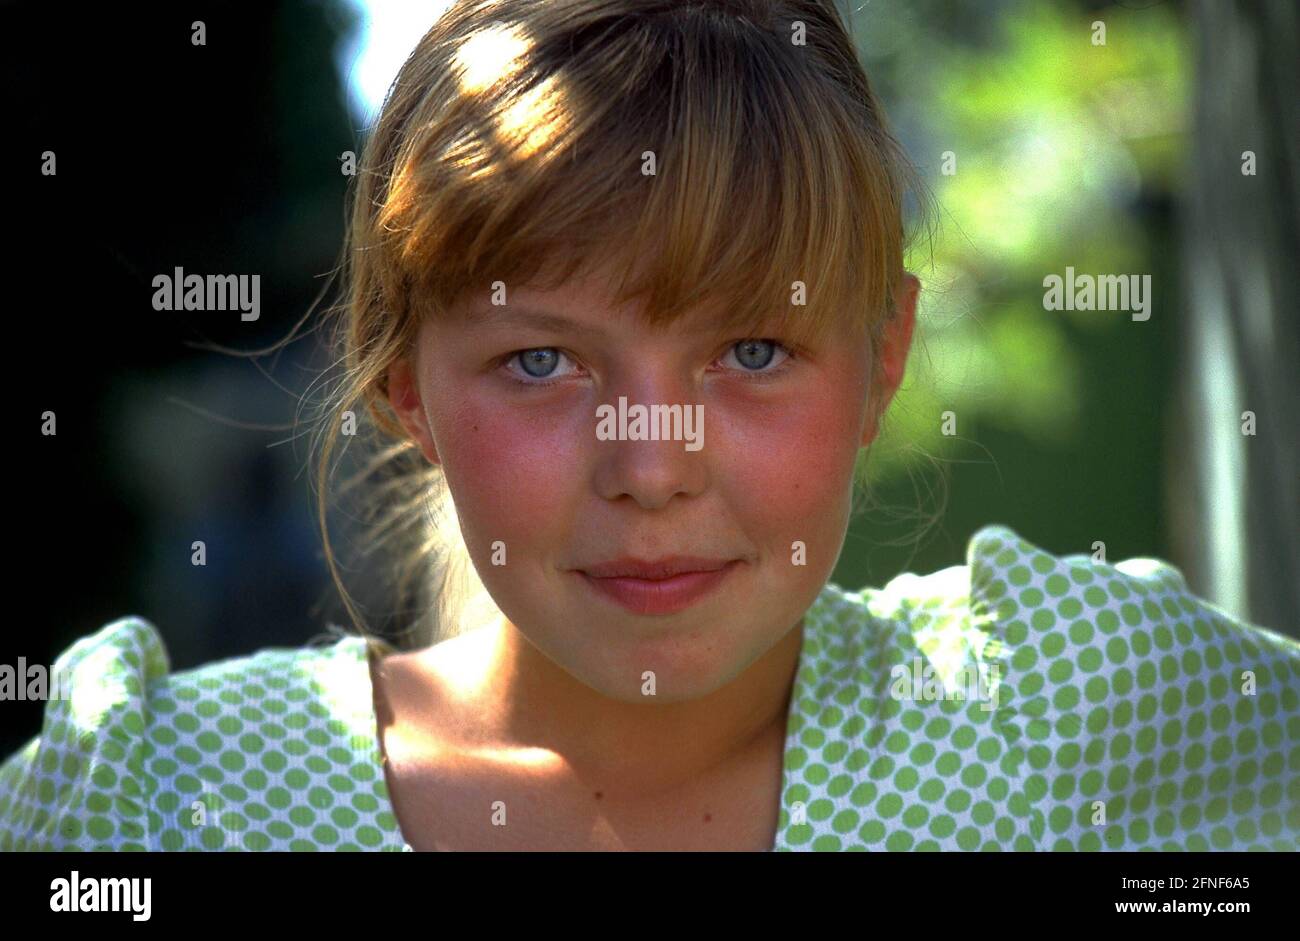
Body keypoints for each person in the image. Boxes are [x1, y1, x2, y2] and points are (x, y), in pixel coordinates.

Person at [3, 0, 1296, 852]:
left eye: (750, 349)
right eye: (544, 359)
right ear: (407, 389)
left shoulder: (1073, 715)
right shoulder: (162, 804)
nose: (652, 462)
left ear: (883, 357)